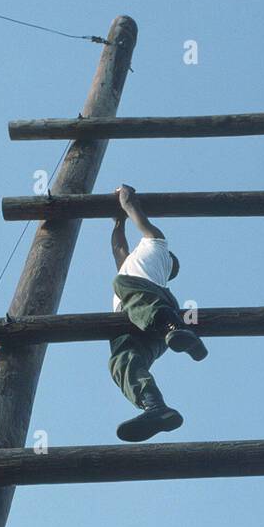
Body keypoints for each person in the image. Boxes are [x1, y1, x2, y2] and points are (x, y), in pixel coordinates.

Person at [108, 183, 208, 442]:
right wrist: (117, 222)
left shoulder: (156, 242)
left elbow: (132, 205)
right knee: (123, 361)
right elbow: (119, 248)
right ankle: (155, 408)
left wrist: (124, 194)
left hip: (154, 306)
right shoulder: (130, 264)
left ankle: (177, 330)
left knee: (122, 284)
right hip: (139, 320)